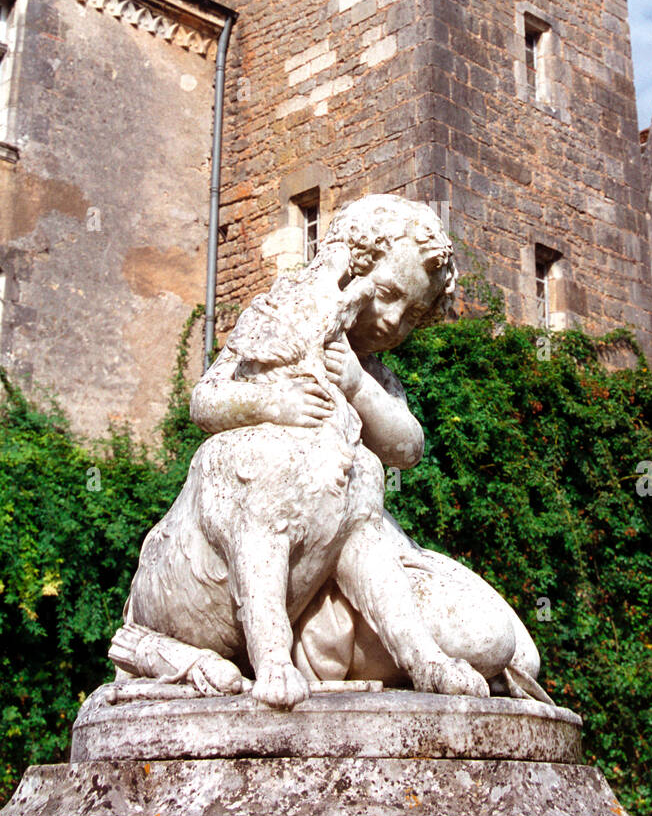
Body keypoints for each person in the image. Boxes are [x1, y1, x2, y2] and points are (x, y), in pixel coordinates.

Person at [111, 196, 550, 707]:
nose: (391, 322)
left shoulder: (371, 376)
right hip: (287, 567)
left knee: (513, 649)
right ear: (351, 272)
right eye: (386, 295)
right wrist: (274, 401)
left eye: (411, 315)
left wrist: (358, 386)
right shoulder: (281, 323)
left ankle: (420, 655)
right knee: (485, 638)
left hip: (342, 538)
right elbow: (206, 399)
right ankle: (285, 652)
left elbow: (408, 448)